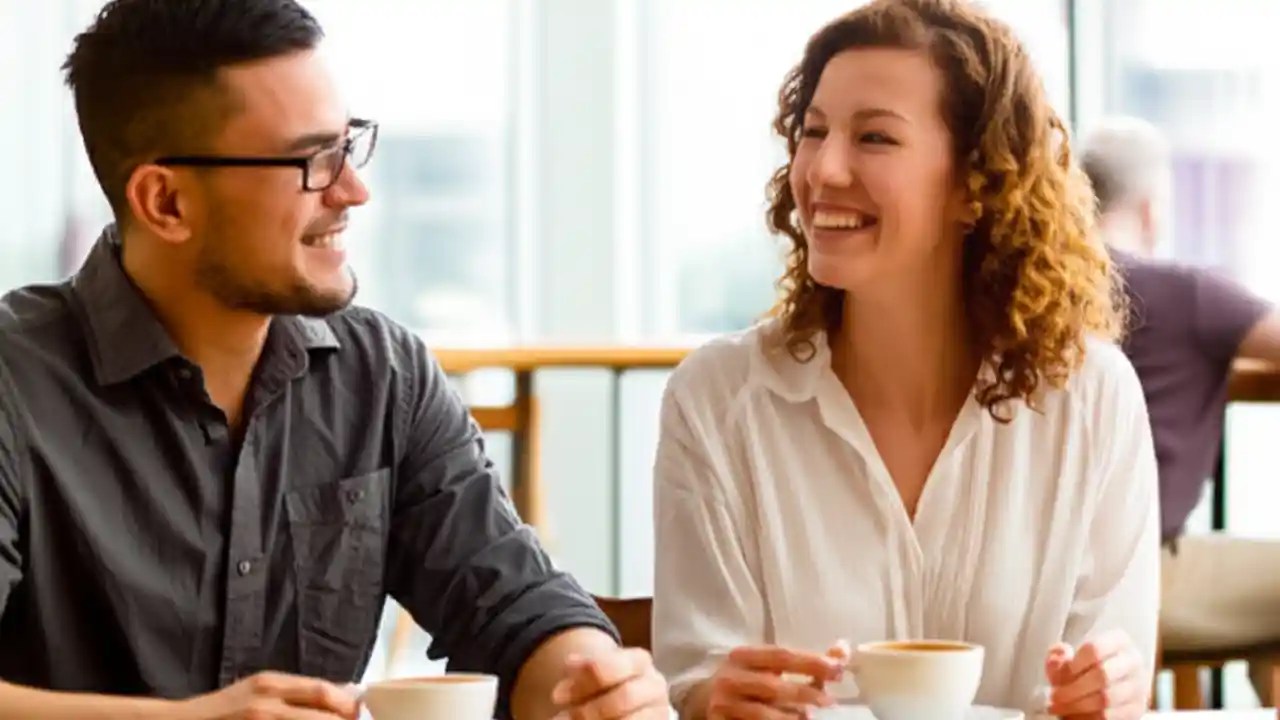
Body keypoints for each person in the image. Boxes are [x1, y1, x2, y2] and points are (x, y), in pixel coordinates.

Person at [0, 2, 668, 719]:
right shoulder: (17, 382)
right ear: (166, 202)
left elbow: (511, 606)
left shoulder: (385, 376)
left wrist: (594, 682)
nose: (354, 189)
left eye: (349, 144)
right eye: (311, 162)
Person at [650, 1, 1160, 718]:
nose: (822, 169)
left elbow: (1109, 672)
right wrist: (713, 696)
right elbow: (696, 673)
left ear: (976, 185)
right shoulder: (716, 399)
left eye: (876, 138)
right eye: (814, 132)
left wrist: (1108, 689)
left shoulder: (1093, 398)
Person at [1082, 115, 1280, 705]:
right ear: (1150, 209)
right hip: (1146, 573)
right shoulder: (1188, 293)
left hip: (1052, 569)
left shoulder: (1031, 290)